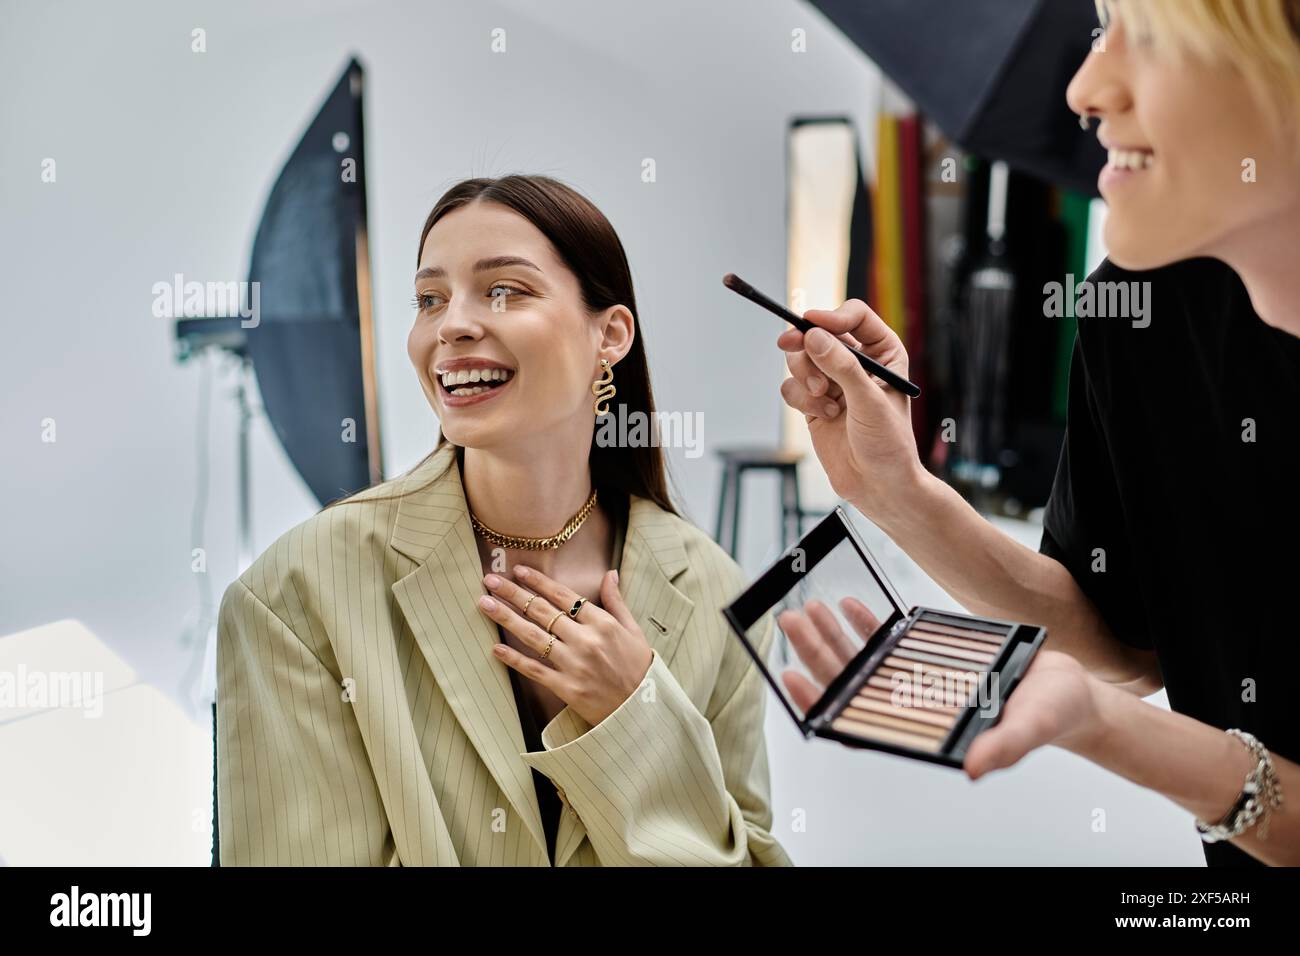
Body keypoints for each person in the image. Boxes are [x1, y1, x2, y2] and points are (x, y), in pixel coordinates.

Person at [775, 0, 1300, 866]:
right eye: (1101, 29)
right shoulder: (1137, 315)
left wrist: (1116, 734)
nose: (1087, 89)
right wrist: (896, 491)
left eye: (1154, 35)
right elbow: (1125, 638)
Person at [216, 174, 791, 867]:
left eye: (503, 291)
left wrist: (634, 716)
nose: (451, 324)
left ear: (609, 335)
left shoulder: (718, 598)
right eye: (430, 299)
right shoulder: (295, 596)